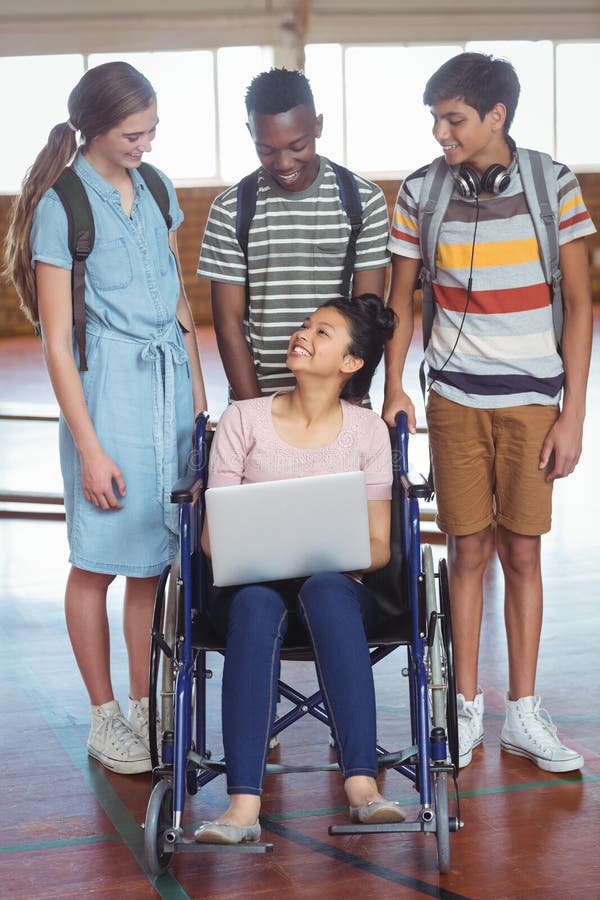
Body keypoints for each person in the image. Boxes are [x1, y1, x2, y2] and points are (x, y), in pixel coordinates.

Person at [383, 52, 595, 772]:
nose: (441, 132)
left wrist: (572, 413)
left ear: (496, 117)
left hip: (534, 402)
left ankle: (524, 715)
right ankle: (466, 707)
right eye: (436, 119)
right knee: (466, 551)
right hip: (455, 402)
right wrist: (394, 387)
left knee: (524, 552)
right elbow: (401, 300)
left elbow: (580, 302)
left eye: (455, 119)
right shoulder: (421, 192)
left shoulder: (550, 183)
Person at [3, 61, 207, 775]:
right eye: (132, 134)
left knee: (153, 564)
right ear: (94, 128)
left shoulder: (154, 186)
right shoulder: (63, 205)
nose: (144, 145)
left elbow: (180, 299)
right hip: (109, 397)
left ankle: (147, 702)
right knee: (98, 562)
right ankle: (103, 716)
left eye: (152, 131)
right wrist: (89, 448)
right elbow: (56, 342)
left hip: (170, 391)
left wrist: (200, 401)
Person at [194, 293, 403, 845]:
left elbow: (379, 545)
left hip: (337, 592)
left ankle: (362, 786)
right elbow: (214, 537)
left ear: (351, 363)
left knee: (328, 588)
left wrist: (331, 552)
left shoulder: (368, 433)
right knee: (260, 601)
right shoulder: (244, 419)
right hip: (249, 588)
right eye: (305, 324)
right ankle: (242, 807)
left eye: (323, 332)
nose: (303, 334)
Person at [197, 67, 390, 401]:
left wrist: (344, 413)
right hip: (260, 398)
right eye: (266, 149)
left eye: (297, 145)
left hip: (341, 401)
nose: (284, 162)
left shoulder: (363, 201)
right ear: (250, 132)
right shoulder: (231, 209)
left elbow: (367, 318)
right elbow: (228, 324)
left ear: (318, 126)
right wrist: (255, 416)